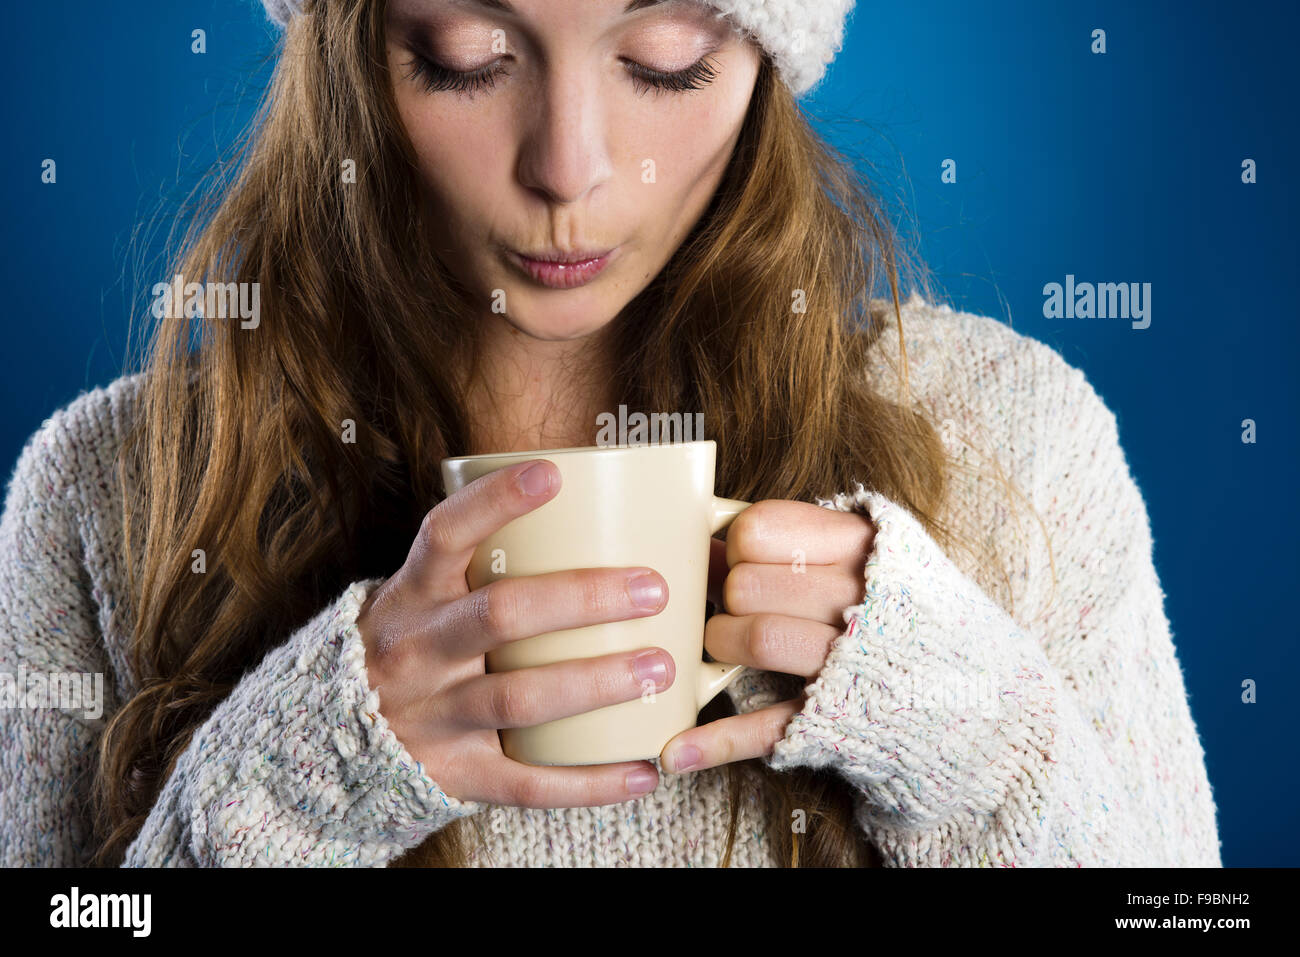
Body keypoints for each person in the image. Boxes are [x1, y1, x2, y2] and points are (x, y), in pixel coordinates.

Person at [0, 0, 1220, 867]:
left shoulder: (1011, 439)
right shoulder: (108, 493)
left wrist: (964, 727)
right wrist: (293, 778)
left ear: (760, 59)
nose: (568, 167)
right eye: (465, 55)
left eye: (667, 59)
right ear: (351, 48)